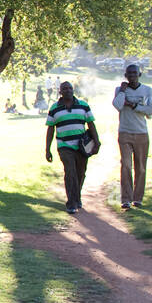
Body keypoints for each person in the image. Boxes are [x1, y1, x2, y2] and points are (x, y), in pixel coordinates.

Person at [45, 81, 99, 215]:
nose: (68, 90)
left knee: (80, 173)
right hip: (64, 146)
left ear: (73, 90)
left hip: (81, 147)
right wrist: (47, 149)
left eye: (70, 88)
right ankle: (71, 203)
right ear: (60, 92)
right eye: (65, 89)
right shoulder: (54, 108)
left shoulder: (83, 106)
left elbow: (91, 125)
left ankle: (77, 197)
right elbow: (50, 129)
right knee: (70, 173)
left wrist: (97, 142)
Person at [113, 63, 152, 209]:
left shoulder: (147, 90)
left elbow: (150, 111)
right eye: (129, 74)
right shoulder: (119, 89)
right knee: (126, 165)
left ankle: (137, 198)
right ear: (125, 75)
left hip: (141, 133)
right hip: (124, 131)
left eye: (134, 73)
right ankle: (126, 199)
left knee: (141, 168)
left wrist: (133, 105)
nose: (132, 76)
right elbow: (117, 105)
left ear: (139, 75)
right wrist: (123, 91)